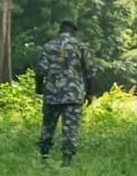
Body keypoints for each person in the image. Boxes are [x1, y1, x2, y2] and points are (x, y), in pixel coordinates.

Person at [36, 19, 94, 167]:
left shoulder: (49, 46)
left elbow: (40, 71)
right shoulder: (80, 47)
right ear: (74, 31)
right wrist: (90, 93)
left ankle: (44, 157)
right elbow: (90, 72)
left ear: (60, 30)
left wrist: (39, 89)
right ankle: (66, 161)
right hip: (73, 95)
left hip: (52, 95)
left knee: (48, 126)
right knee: (71, 129)